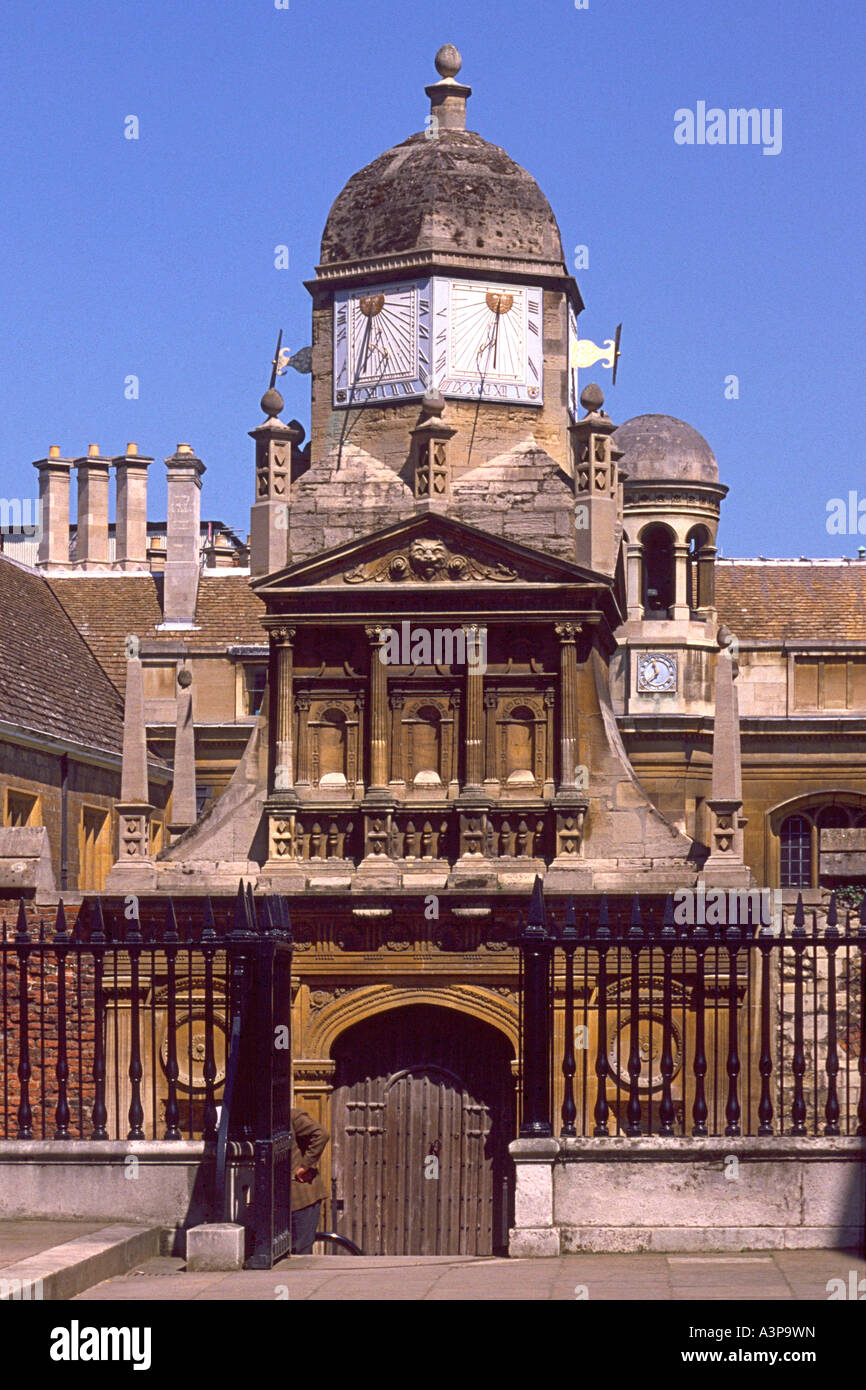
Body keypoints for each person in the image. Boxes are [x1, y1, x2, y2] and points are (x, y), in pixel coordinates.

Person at [290, 1107, 330, 1255]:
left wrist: (304, 1166)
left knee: (301, 1250)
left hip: (303, 1197)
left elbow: (321, 1134)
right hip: (285, 1199)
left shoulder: (292, 1116)